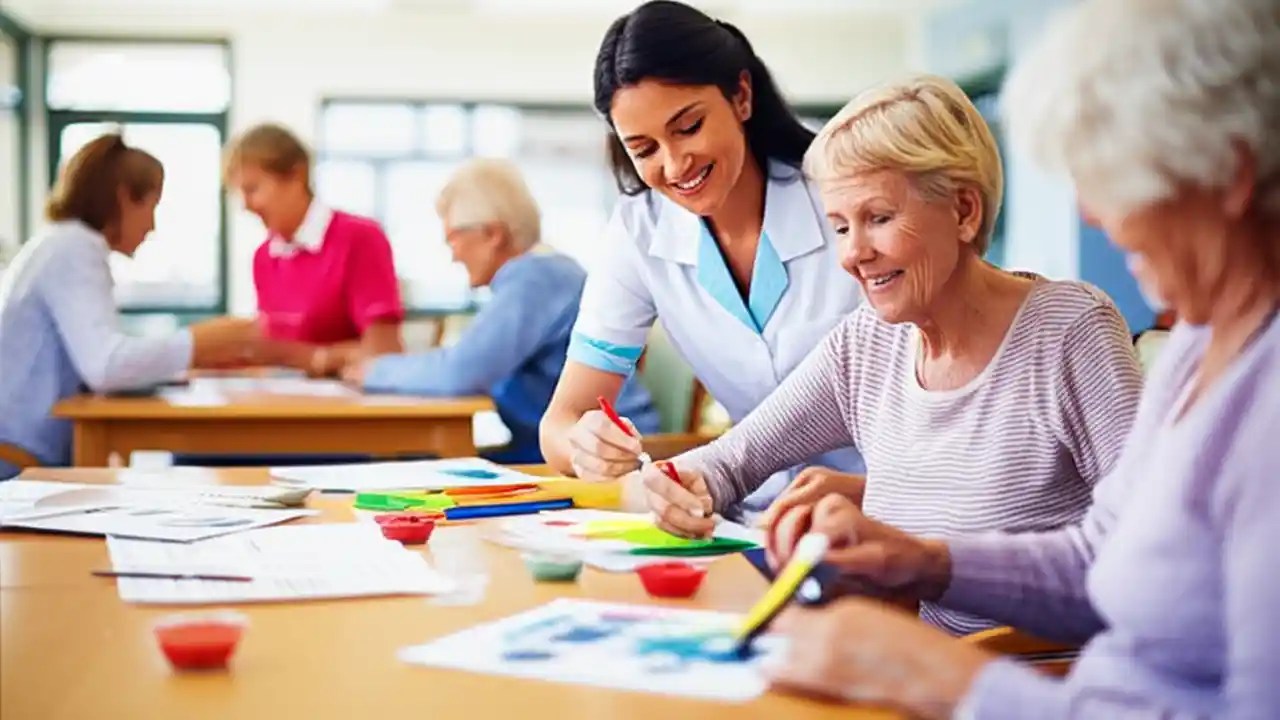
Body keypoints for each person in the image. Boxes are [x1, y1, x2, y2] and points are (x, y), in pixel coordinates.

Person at [760, 1, 1280, 718]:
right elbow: (1102, 557)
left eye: (1121, 177)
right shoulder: (1202, 340)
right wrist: (920, 560)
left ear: (1231, 174)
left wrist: (949, 681)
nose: (1094, 214)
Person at [629, 73, 1144, 636]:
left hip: (1022, 677)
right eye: (840, 226)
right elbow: (732, 461)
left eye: (878, 219)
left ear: (965, 211)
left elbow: (1148, 554)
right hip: (905, 657)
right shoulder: (869, 342)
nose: (853, 255)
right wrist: (685, 485)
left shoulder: (1070, 332)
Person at [539, 0, 864, 514]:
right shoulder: (639, 230)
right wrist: (585, 447)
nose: (674, 164)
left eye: (688, 127)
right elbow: (560, 422)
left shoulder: (842, 195)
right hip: (746, 514)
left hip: (883, 509)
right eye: (643, 149)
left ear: (741, 95)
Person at [342, 159, 659, 463]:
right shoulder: (535, 275)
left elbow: (459, 372)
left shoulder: (536, 278)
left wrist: (373, 370)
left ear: (493, 234)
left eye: (453, 238)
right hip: (567, 450)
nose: (453, 255)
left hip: (607, 458)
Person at [0, 134, 263, 479]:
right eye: (151, 207)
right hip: (17, 462)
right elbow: (105, 366)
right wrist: (199, 342)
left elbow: (96, 360)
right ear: (124, 196)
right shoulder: (74, 248)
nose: (151, 227)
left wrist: (185, 360)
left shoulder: (59, 243)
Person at [224, 123, 404, 376]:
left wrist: (312, 358)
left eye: (252, 189)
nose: (245, 205)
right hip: (281, 401)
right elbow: (271, 353)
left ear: (297, 175)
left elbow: (383, 352)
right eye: (239, 193)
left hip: (348, 407)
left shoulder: (360, 238)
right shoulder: (264, 257)